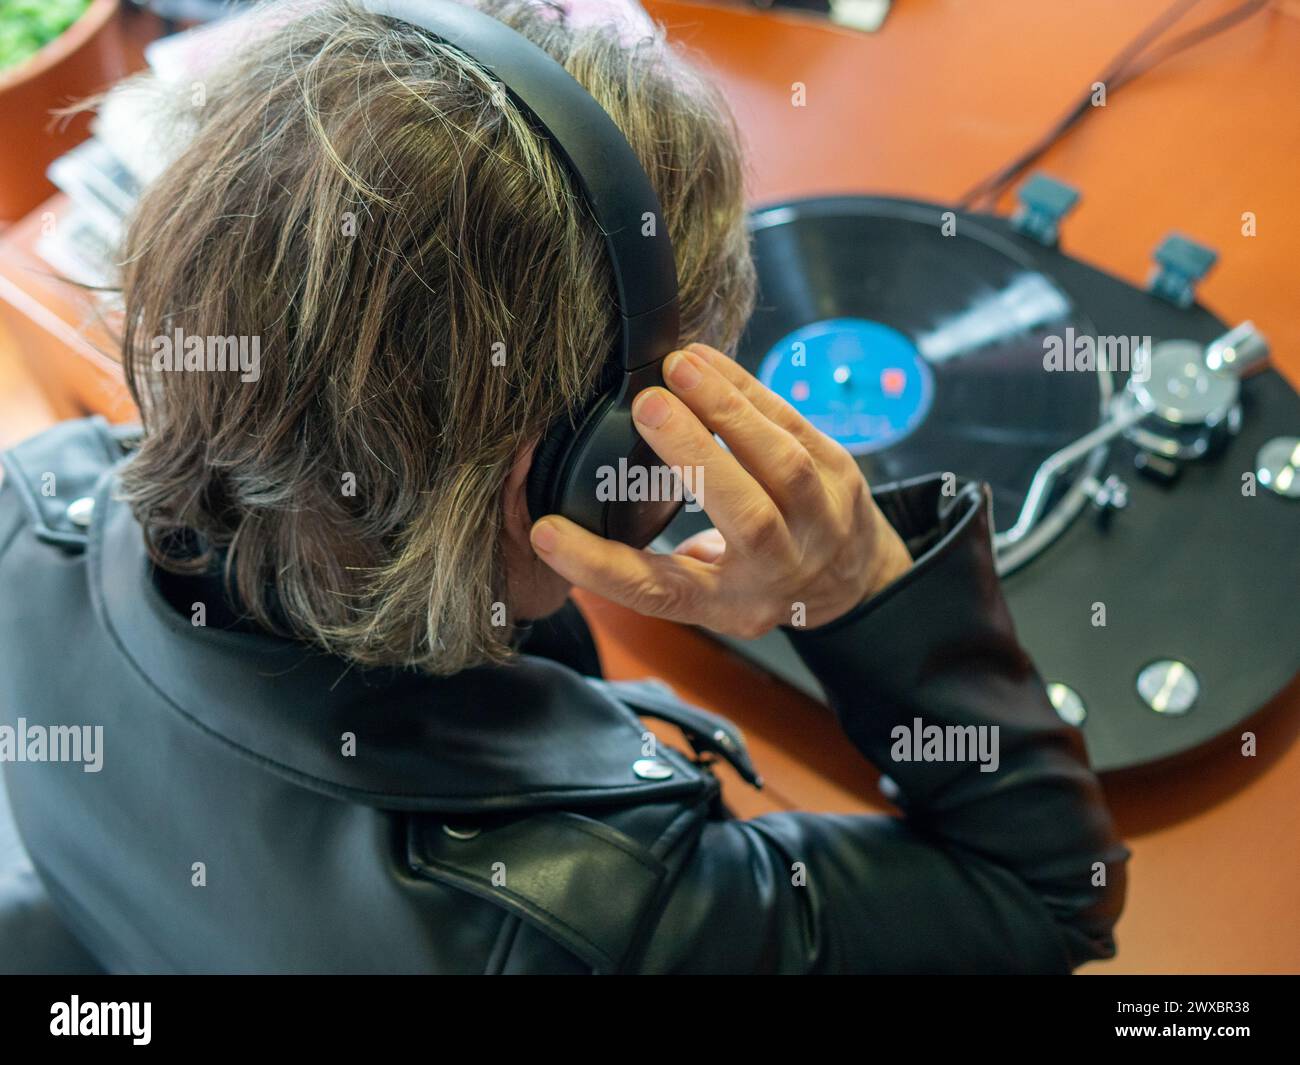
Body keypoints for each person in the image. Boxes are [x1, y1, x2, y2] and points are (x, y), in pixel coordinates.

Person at [0, 0, 1126, 973]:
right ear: (597, 482)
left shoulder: (29, 504)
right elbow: (1047, 894)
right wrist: (861, 594)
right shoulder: (595, 913)